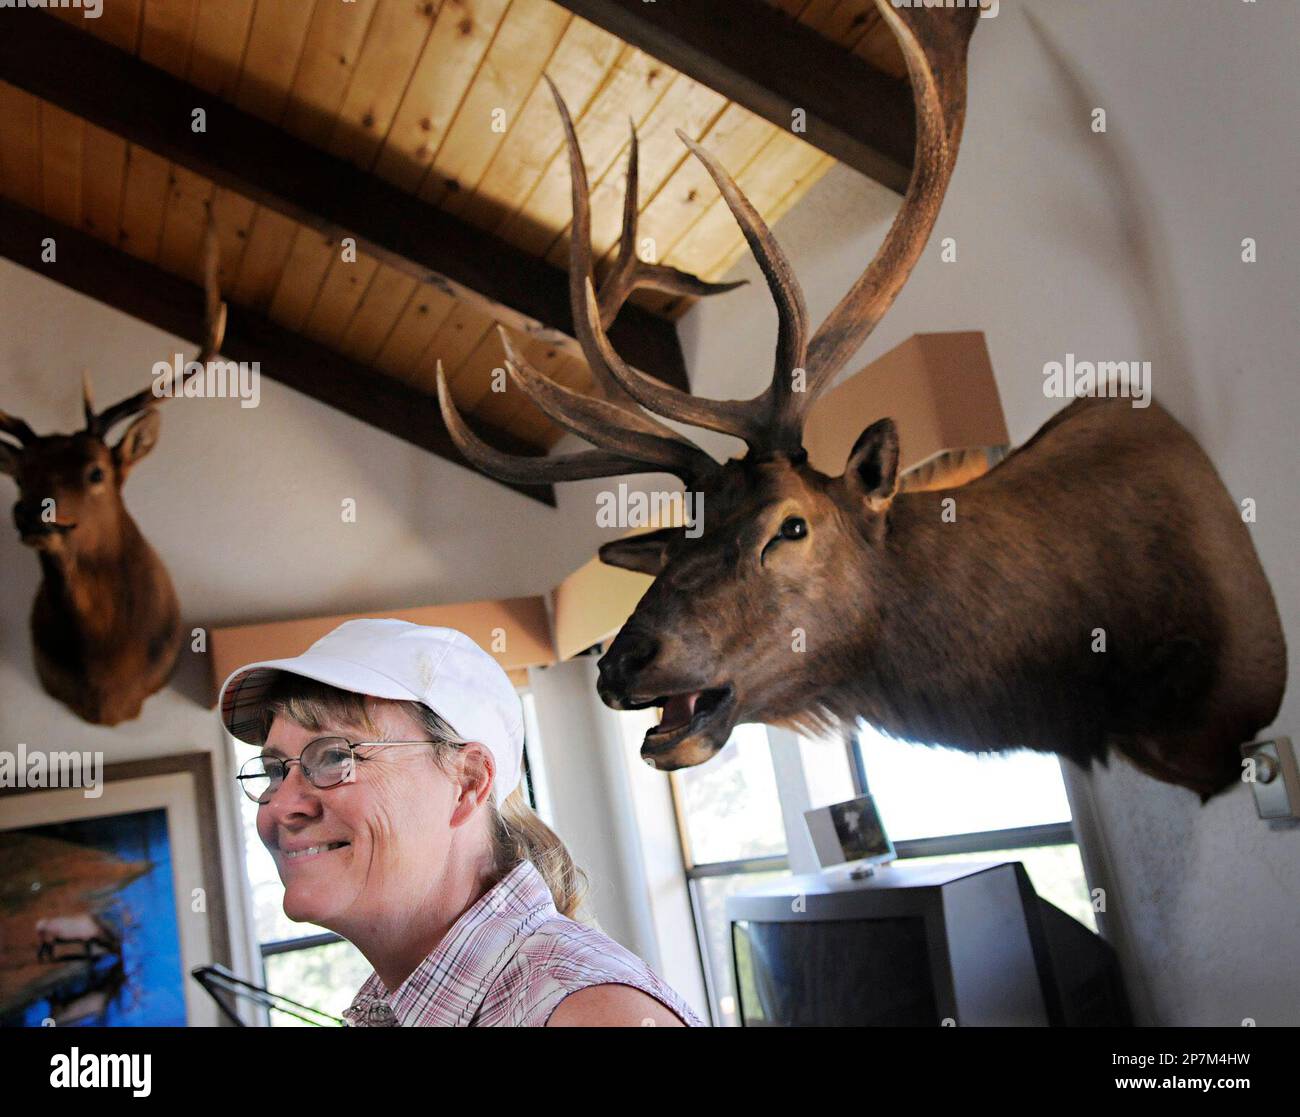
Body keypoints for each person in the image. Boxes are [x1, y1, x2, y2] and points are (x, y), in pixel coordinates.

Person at [218, 618, 701, 1027]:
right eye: (276, 770)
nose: (280, 807)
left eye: (334, 757)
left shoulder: (588, 1012)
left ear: (468, 782)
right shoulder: (400, 1005)